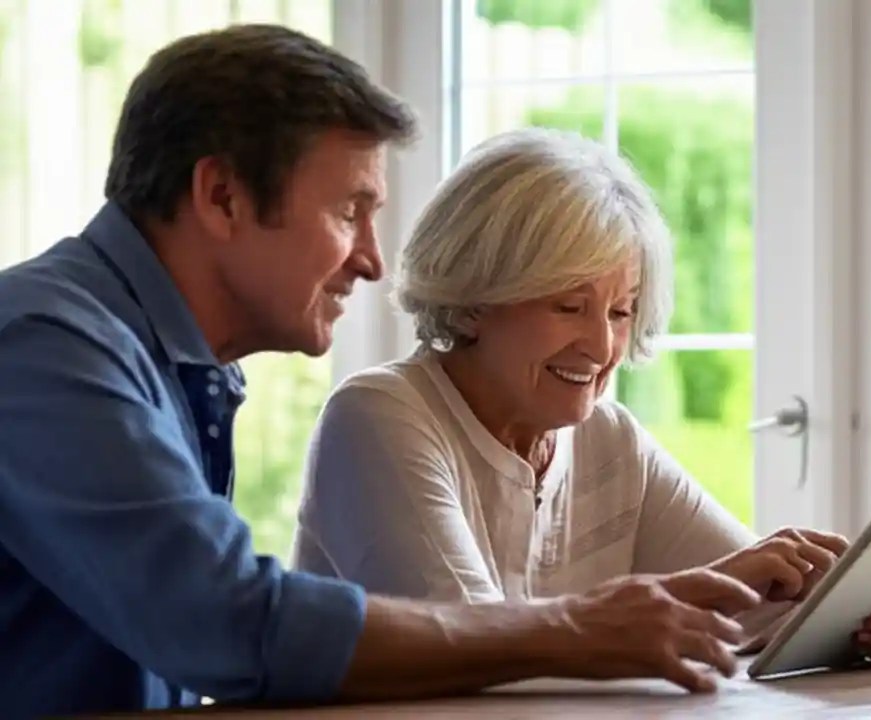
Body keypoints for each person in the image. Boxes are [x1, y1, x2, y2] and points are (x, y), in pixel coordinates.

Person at [0, 25, 766, 718]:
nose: (372, 259)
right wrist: (575, 626)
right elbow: (227, 622)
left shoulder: (158, 362)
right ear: (222, 195)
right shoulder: (48, 344)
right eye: (348, 211)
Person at [292, 128, 871, 667]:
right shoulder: (379, 417)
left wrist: (869, 621)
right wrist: (681, 597)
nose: (601, 346)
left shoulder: (609, 439)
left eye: (622, 311)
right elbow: (474, 643)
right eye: (569, 306)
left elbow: (764, 610)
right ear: (473, 299)